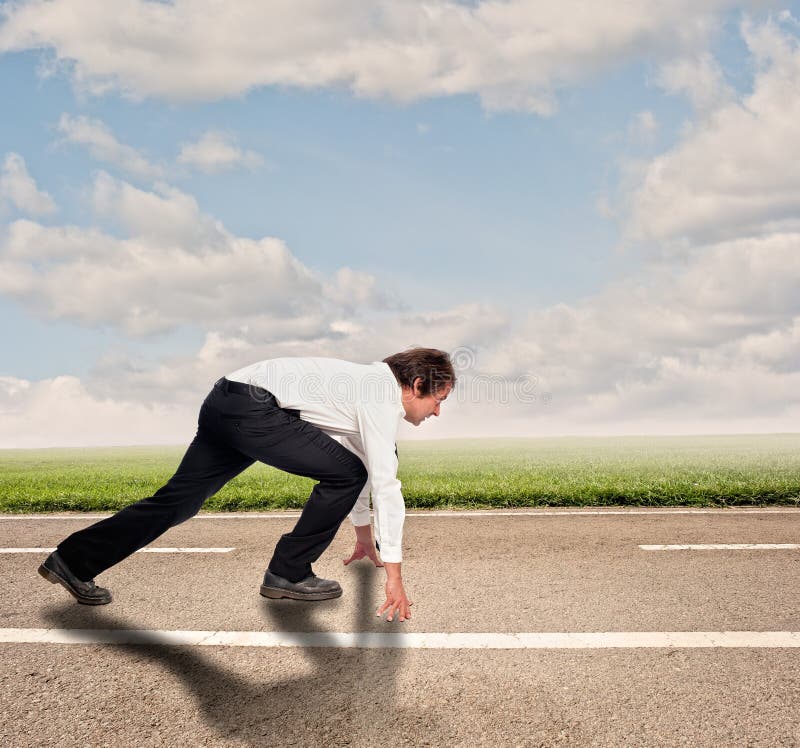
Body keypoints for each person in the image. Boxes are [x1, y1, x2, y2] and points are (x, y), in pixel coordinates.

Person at [38, 347, 455, 623]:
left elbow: (364, 459)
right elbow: (383, 484)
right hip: (254, 408)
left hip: (226, 399)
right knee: (344, 472)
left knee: (177, 502)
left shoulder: (364, 387)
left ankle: (72, 561)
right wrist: (395, 576)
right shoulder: (379, 396)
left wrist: (364, 535)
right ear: (417, 386)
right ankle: (287, 573)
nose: (436, 413)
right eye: (438, 400)